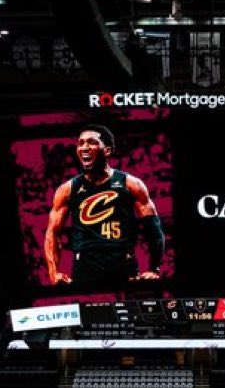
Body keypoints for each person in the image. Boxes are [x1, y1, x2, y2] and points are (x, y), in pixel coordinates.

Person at [43, 124, 165, 291]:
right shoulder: (67, 189)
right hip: (86, 267)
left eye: (91, 142)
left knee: (126, 315)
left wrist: (154, 268)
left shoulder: (131, 184)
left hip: (122, 264)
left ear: (107, 151)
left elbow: (154, 229)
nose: (84, 147)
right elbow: (52, 233)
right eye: (80, 143)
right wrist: (53, 271)